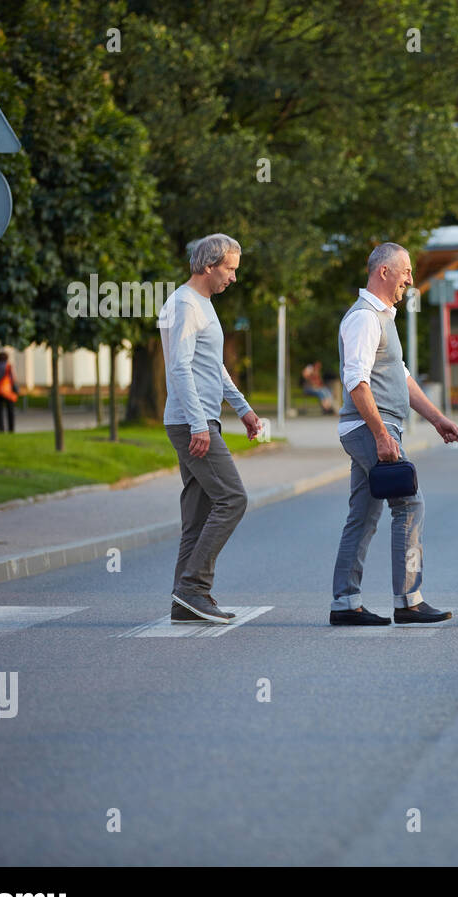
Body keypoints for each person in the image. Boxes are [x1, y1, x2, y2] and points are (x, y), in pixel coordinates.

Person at [330, 242, 458, 626]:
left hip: (374, 426)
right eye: (405, 270)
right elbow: (356, 382)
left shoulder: (383, 318)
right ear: (383, 272)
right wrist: (381, 436)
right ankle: (408, 600)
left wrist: (437, 418)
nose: (410, 278)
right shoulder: (364, 318)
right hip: (371, 427)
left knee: (363, 514)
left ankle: (345, 603)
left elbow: (401, 377)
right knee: (409, 504)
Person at [160, 233, 263, 625]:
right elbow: (180, 367)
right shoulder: (185, 304)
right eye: (230, 269)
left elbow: (212, 366)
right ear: (208, 266)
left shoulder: (200, 304)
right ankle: (193, 589)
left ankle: (182, 602)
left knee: (199, 515)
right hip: (192, 421)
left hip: (197, 418)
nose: (233, 278)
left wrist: (244, 409)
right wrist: (198, 423)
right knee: (233, 499)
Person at [0, 350, 18, 433]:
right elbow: (14, 378)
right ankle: (11, 429)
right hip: (8, 391)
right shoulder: (9, 365)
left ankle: (1, 429)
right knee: (10, 411)